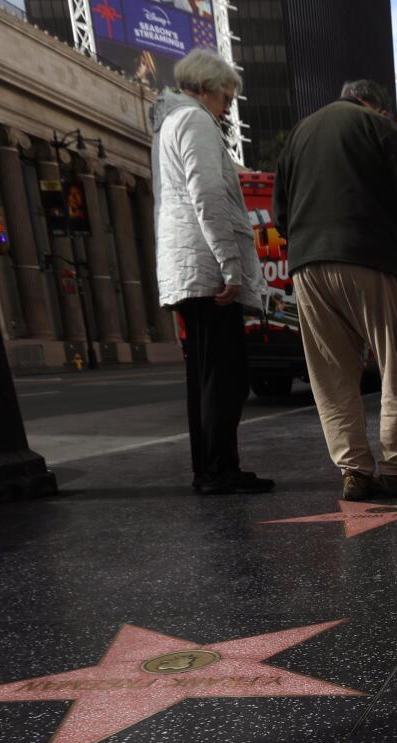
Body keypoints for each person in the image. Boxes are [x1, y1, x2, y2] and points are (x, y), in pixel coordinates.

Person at [274, 76, 397, 499]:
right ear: (376, 105)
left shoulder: (299, 134)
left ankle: (355, 471)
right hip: (374, 257)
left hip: (308, 264)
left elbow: (280, 213)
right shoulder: (379, 126)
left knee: (331, 373)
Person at [154, 50, 272, 494]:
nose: (228, 105)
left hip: (191, 269)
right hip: (206, 270)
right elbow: (207, 195)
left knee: (207, 374)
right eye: (226, 95)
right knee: (225, 376)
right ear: (206, 87)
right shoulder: (195, 121)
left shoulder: (172, 122)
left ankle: (213, 467)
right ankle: (217, 470)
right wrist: (231, 267)